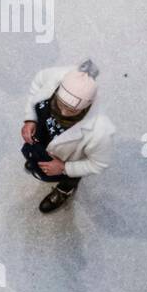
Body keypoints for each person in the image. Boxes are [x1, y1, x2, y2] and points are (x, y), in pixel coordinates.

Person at [21, 60, 115, 214]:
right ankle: (36, 162)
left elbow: (99, 163)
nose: (63, 113)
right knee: (37, 155)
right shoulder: (57, 77)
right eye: (60, 104)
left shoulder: (101, 131)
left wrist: (65, 168)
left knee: (70, 178)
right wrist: (30, 118)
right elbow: (37, 82)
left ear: (87, 105)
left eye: (71, 110)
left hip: (68, 160)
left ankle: (64, 190)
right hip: (42, 137)